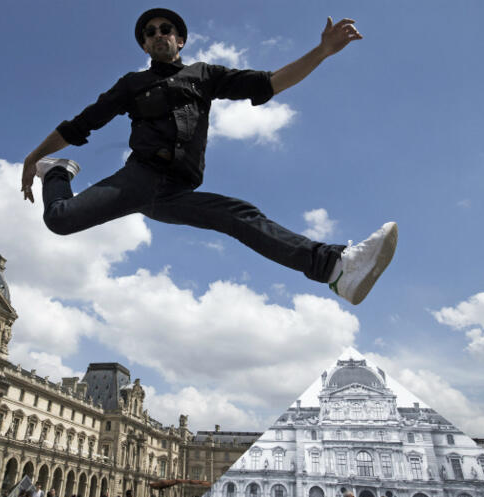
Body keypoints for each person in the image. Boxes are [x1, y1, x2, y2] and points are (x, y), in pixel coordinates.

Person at [20, 8, 398, 308]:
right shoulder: (131, 85)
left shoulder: (205, 75)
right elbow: (81, 125)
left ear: (179, 39)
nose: (157, 34)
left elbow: (268, 84)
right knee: (60, 220)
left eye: (164, 28)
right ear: (145, 46)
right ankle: (58, 172)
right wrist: (35, 157)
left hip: (176, 192)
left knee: (237, 214)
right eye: (149, 33)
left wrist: (322, 52)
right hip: (139, 178)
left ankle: (335, 267)